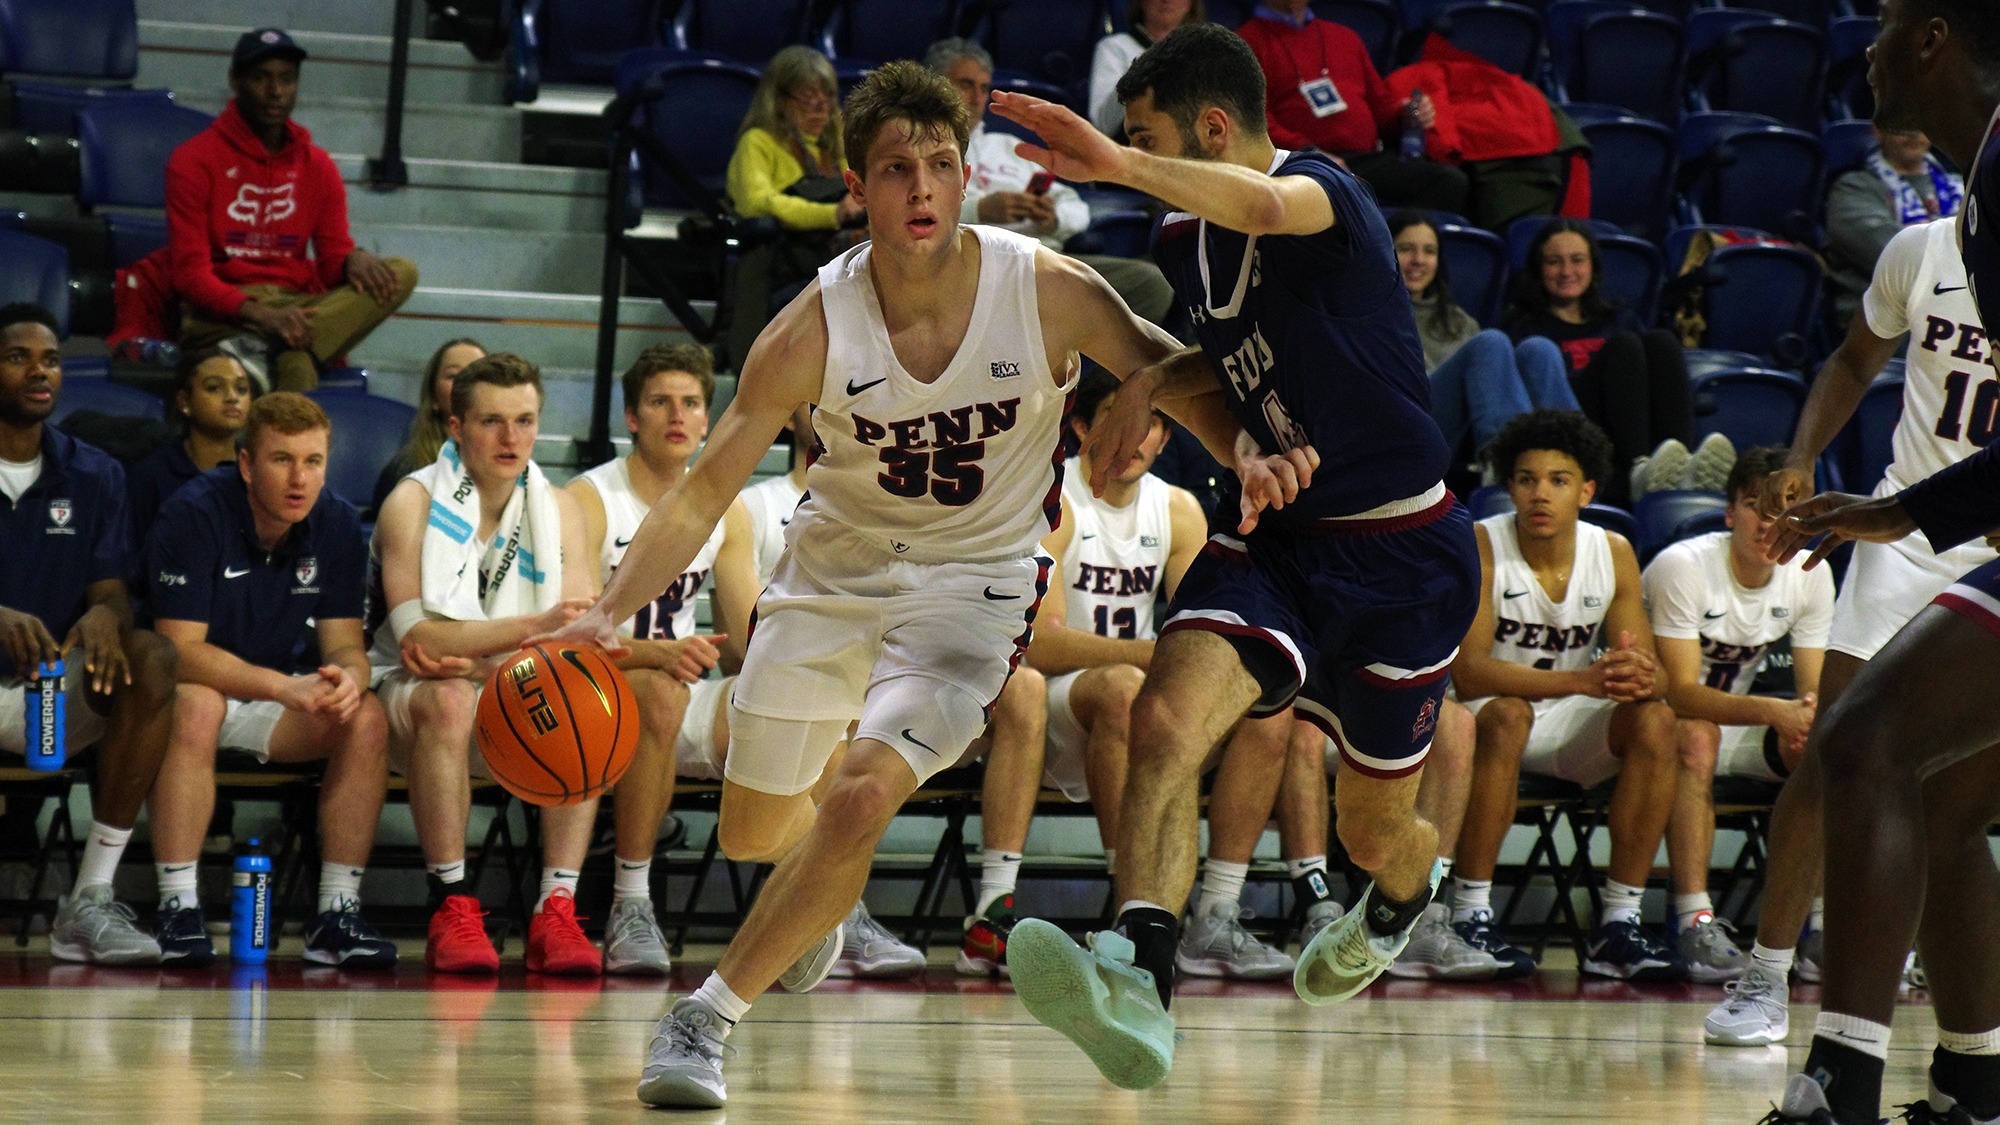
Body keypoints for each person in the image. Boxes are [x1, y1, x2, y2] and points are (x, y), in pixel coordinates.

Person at [539, 61, 1201, 1108]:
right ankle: (804, 907)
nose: (923, 186)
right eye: (897, 169)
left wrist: (1197, 415)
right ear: (858, 189)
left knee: (858, 796)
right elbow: (708, 484)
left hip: (975, 593)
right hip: (830, 581)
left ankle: (701, 1016)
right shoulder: (810, 327)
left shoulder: (1045, 288)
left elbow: (1181, 363)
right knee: (758, 831)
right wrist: (607, 612)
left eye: (941, 163)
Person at [991, 23, 1481, 1089]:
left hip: (1405, 554)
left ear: (1211, 126)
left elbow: (1259, 206)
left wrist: (1109, 164)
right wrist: (1207, 424)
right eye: (1127, 142)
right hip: (1282, 544)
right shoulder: (1178, 245)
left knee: (1372, 826)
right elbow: (1223, 384)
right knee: (1163, 715)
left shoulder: (1324, 192)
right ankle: (1139, 975)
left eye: (1146, 135)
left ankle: (1399, 901)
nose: (1129, 155)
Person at [1750, 0, 2000, 1098]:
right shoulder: (1952, 216)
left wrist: (1911, 510)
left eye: (1886, 22)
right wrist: (1900, 514)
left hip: (1957, 522)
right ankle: (1971, 1079)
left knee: (1860, 746)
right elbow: (1851, 362)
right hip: (1943, 521)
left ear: (1933, 37)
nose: (1864, 47)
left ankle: (1836, 1086)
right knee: (1929, 793)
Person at [1702, 215, 1996, 1056]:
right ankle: (1765, 971)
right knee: (1834, 748)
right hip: (1901, 529)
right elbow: (1853, 360)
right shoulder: (1922, 247)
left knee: (1959, 792)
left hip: (1993, 537)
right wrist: (1802, 451)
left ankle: (1961, 1028)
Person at [968, 370, 1338, 981]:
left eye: (1154, 426)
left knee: (1265, 709)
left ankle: (1216, 912)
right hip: (1058, 704)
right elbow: (1043, 643)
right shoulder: (1055, 501)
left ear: (1166, 439)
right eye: (1124, 419)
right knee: (1126, 689)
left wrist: (1176, 666)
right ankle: (1132, 906)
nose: (1138, 436)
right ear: (1085, 428)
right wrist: (1159, 657)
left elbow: (1213, 628)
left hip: (1136, 703)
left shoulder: (1177, 508)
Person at [367, 353, 601, 976]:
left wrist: (482, 655)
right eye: (492, 421)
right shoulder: (410, 502)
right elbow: (417, 637)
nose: (511, 438)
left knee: (585, 706)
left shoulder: (561, 507)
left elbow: (574, 635)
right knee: (449, 701)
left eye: (525, 421)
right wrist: (527, 631)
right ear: (455, 427)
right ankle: (451, 902)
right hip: (407, 699)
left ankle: (558, 907)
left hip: (506, 690)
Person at [144, 392, 396, 968]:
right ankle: (178, 909)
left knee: (366, 718)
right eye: (282, 460)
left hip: (276, 697)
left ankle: (337, 912)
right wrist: (285, 687)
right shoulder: (194, 511)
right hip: (189, 690)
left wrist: (350, 680)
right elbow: (178, 651)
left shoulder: (333, 521)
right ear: (248, 464)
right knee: (198, 706)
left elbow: (343, 646)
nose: (299, 478)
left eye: (313, 461)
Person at [1448, 410, 1689, 982]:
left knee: (1655, 722)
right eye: (1527, 478)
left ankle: (1618, 925)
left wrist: (1639, 676)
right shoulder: (1481, 544)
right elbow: (1472, 674)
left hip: (1564, 726)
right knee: (1507, 716)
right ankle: (1469, 914)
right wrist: (1582, 680)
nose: (1540, 493)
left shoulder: (1614, 551)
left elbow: (1651, 669)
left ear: (1586, 490)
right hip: (1487, 720)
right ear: (1509, 487)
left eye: (1558, 480)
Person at [0, 302, 178, 965]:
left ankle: (89, 899)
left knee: (154, 657)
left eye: (48, 358)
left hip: (49, 693)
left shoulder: (97, 474)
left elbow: (110, 591)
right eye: (18, 357)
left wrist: (107, 613)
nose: (39, 371)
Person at [1642, 446, 1832, 986]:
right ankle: (1694, 921)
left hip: (1736, 730)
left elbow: (1811, 693)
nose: (1771, 524)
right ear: (1729, 513)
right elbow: (1680, 694)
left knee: (1818, 746)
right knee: (1697, 735)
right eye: (1757, 507)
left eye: (1786, 513)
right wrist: (1778, 711)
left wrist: (1804, 721)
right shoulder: (1684, 565)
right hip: (1652, 732)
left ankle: (1818, 929)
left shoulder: (1810, 575)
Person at [166, 28, 417, 392]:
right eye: (261, 78)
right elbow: (190, 277)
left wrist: (351, 259)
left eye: (287, 79)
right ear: (236, 81)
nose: (276, 92)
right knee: (297, 362)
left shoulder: (318, 165)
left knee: (402, 272)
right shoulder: (192, 160)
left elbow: (332, 263)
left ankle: (281, 346)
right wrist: (263, 316)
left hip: (297, 305)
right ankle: (289, 348)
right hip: (225, 312)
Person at [926, 38, 1175, 327]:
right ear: (936, 86)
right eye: (966, 84)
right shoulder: (919, 148)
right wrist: (979, 211)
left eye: (983, 88)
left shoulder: (1007, 146)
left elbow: (1075, 206)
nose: (977, 97)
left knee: (1154, 282)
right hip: (976, 272)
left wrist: (1053, 218)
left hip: (1045, 261)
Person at [1504, 219, 1711, 506]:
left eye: (1577, 260)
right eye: (1554, 262)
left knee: (1662, 340)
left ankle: (1680, 464)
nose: (1567, 271)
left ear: (1593, 267)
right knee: (1624, 345)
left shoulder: (1618, 318)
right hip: (1577, 426)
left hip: (1630, 424)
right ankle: (1636, 469)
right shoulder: (1525, 328)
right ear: (1539, 269)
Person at [1236, 1, 1469, 215]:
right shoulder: (1244, 44)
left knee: (1448, 182)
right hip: (1300, 163)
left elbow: (1382, 108)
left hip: (1364, 160)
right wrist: (1309, 153)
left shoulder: (1344, 37)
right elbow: (1254, 122)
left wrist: (1406, 114)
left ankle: (1402, 252)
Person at [1389, 210, 1576, 460]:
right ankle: (1507, 461)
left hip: (1462, 434)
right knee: (1492, 341)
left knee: (1538, 348)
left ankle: (1574, 459)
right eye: (1406, 249)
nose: (1419, 260)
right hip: (1407, 426)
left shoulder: (1459, 320)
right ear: (1384, 253)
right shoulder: (1371, 315)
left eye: (1429, 251)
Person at [724, 44, 865, 371]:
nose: (820, 107)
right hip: (782, 256)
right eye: (807, 96)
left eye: (827, 96)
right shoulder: (758, 142)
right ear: (780, 100)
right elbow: (757, 203)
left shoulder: (836, 148)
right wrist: (830, 215)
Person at [1825, 128, 1963, 327]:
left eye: (1921, 123)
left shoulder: (1961, 187)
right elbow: (1894, 254)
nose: (1914, 133)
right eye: (1904, 123)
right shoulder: (1854, 188)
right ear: (1879, 129)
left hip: (1958, 316)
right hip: (1885, 325)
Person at [127, 346, 251, 552]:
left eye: (241, 389)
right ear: (185, 401)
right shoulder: (150, 478)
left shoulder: (261, 473)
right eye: (214, 388)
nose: (232, 397)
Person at [372, 338, 485, 514]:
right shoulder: (406, 471)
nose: (467, 383)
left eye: (479, 374)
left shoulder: (513, 469)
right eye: (453, 376)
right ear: (433, 397)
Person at [1089, 0, 1205, 137]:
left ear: (1190, 4)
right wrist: (1139, 74)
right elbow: (1102, 125)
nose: (1166, 1)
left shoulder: (1204, 54)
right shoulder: (1115, 48)